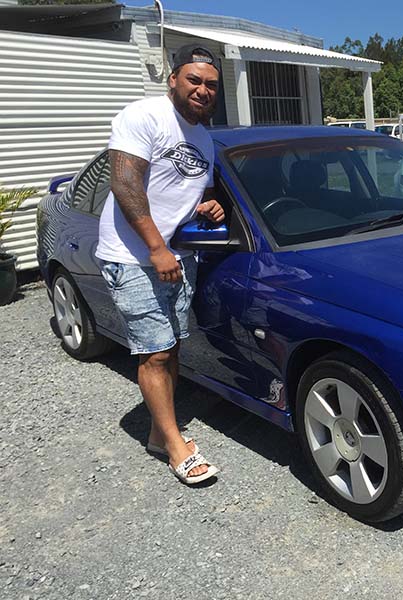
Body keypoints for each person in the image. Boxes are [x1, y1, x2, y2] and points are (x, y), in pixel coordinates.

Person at [96, 44, 226, 485]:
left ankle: (157, 431)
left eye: (210, 84)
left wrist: (205, 209)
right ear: (173, 79)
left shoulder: (205, 139)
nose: (202, 90)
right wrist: (155, 248)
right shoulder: (144, 116)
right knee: (155, 353)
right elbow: (125, 183)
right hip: (135, 255)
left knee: (171, 346)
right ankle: (175, 448)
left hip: (176, 253)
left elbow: (181, 193)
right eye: (193, 80)